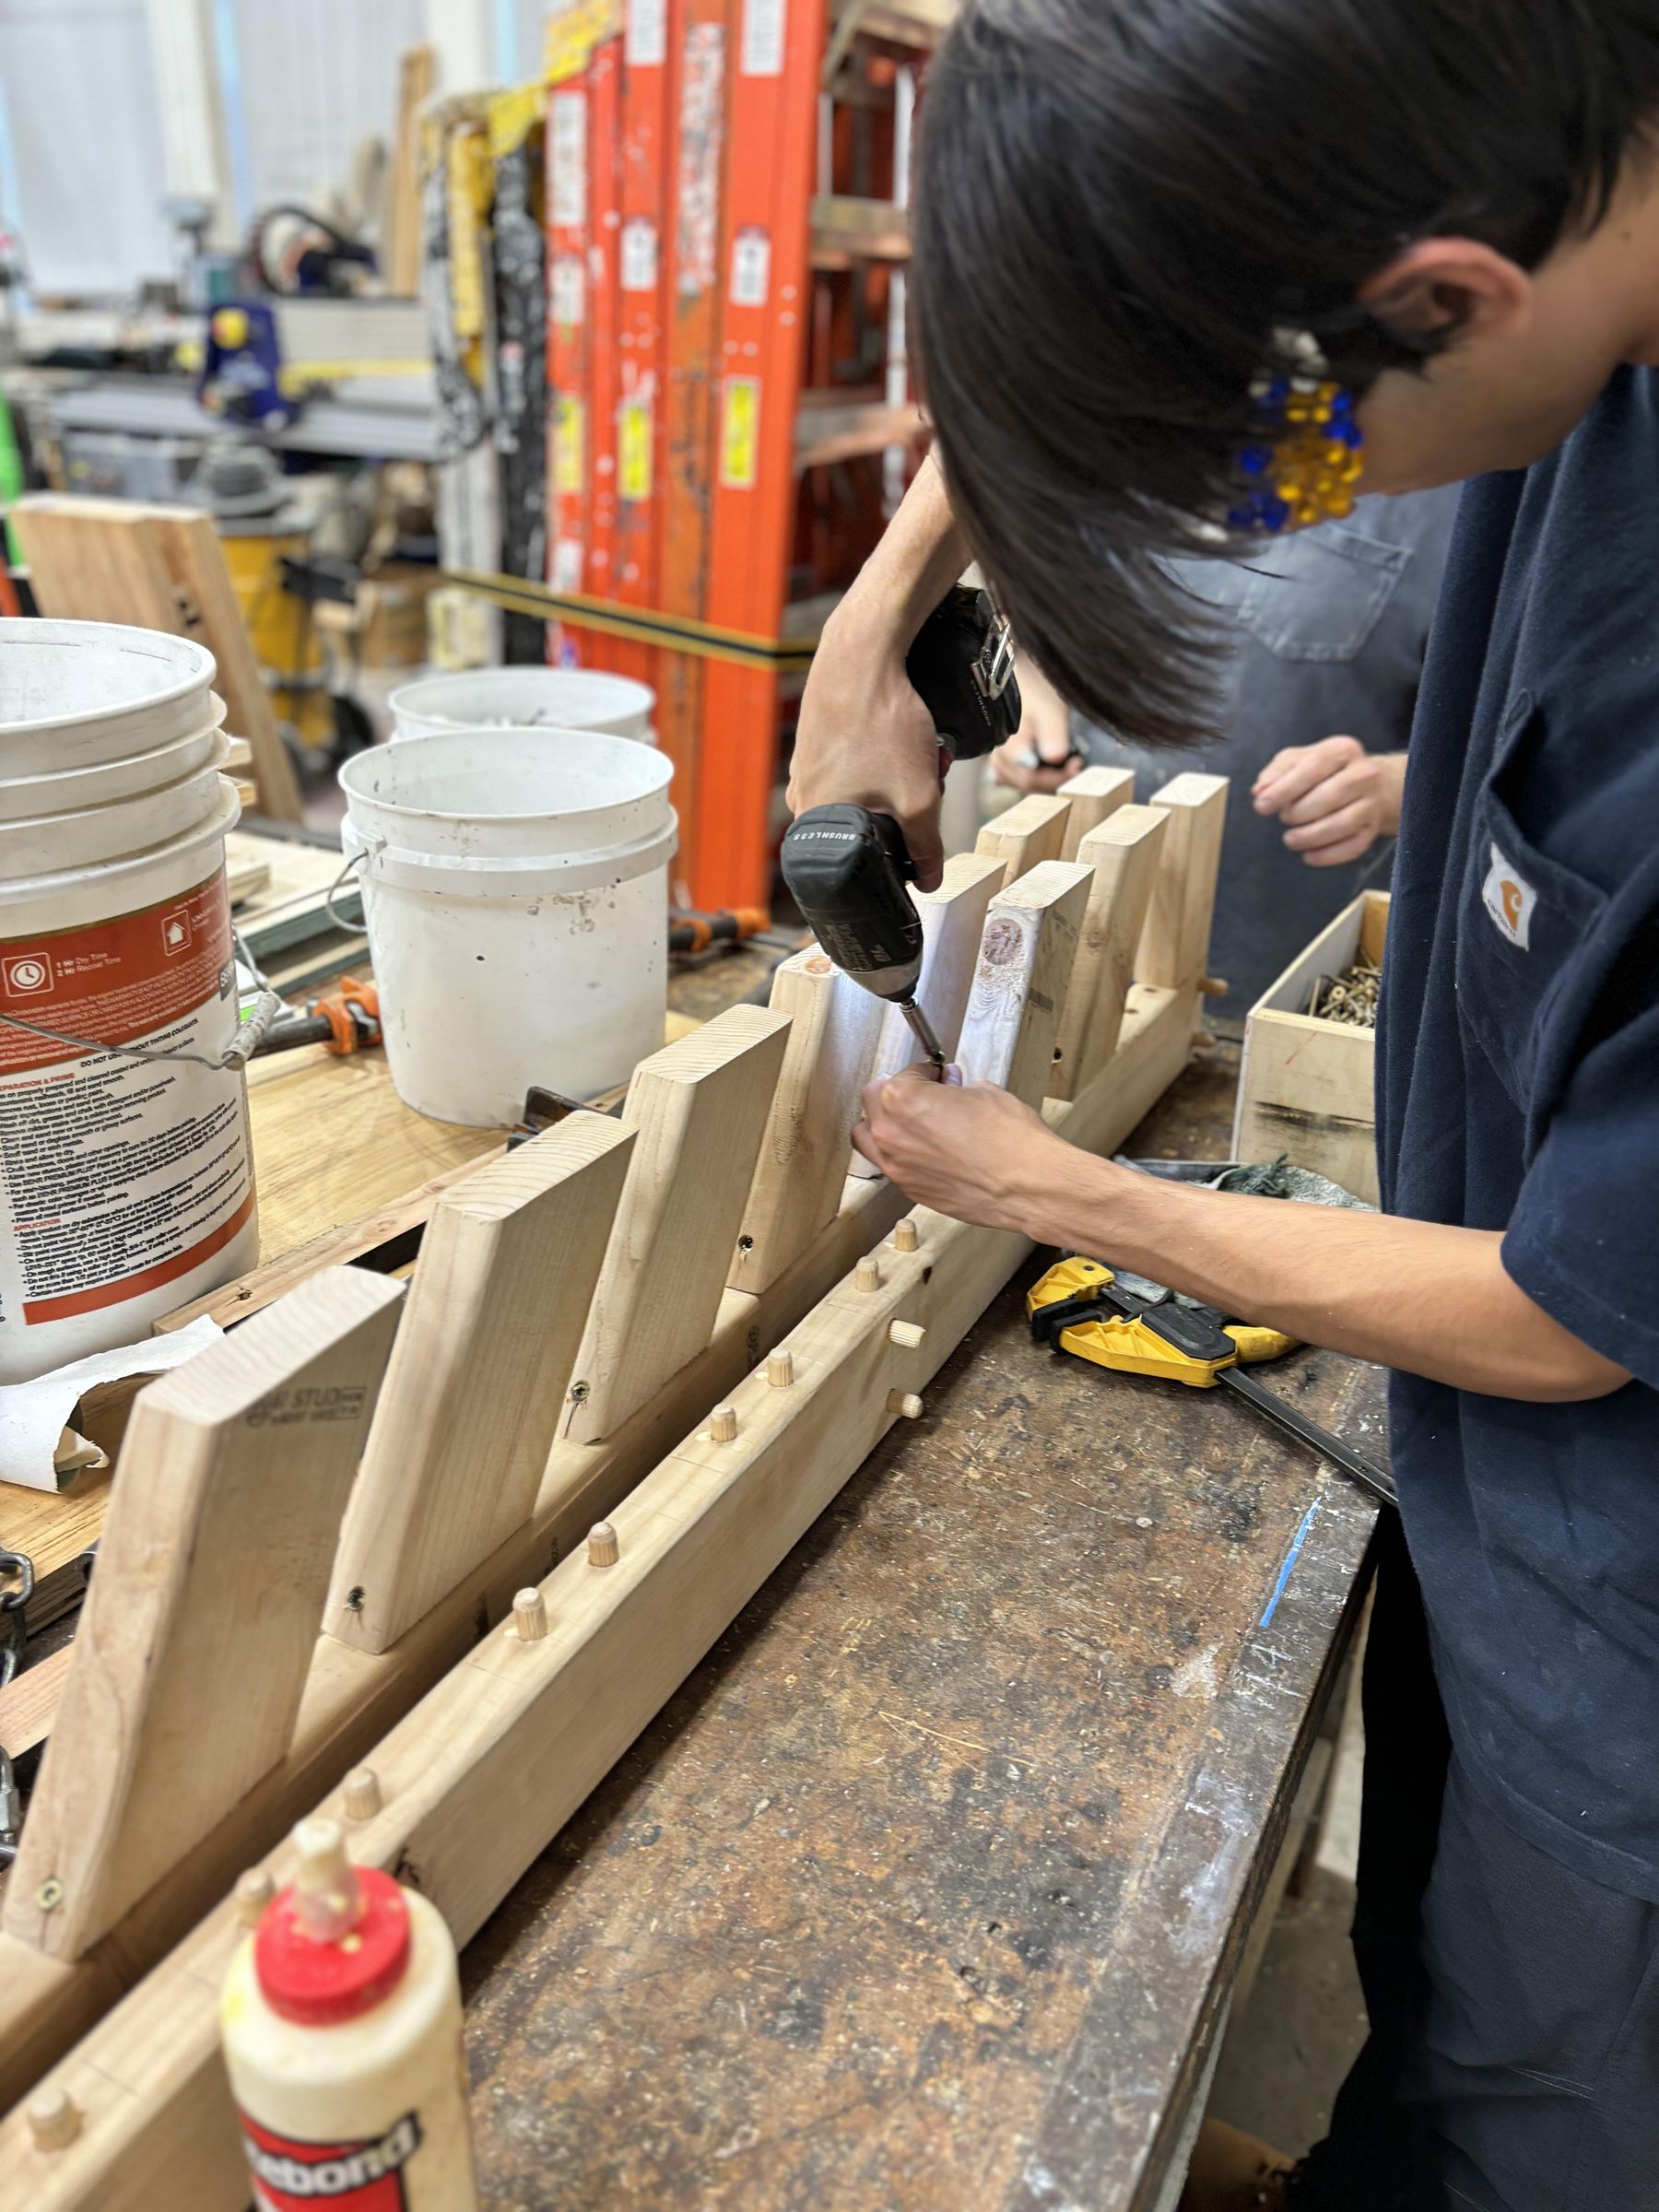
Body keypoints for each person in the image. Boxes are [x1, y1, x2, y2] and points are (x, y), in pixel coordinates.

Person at [785, 6, 1659, 2208]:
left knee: (1547, 2117)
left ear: (1455, 298)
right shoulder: (1555, 167)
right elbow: (1192, 297)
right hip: (1490, 1519)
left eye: (1306, 453)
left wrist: (1065, 1188)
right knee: (1428, 1994)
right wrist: (881, 614)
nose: (1285, 504)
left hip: (1629, 1648)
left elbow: (1571, 1313)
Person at [994, 486, 1458, 1018]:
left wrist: (1402, 785)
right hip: (1090, 924)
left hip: (1293, 944)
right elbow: (1039, 598)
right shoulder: (1111, 430)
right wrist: (1034, 688)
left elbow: (1533, 740)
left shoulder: (1468, 488)